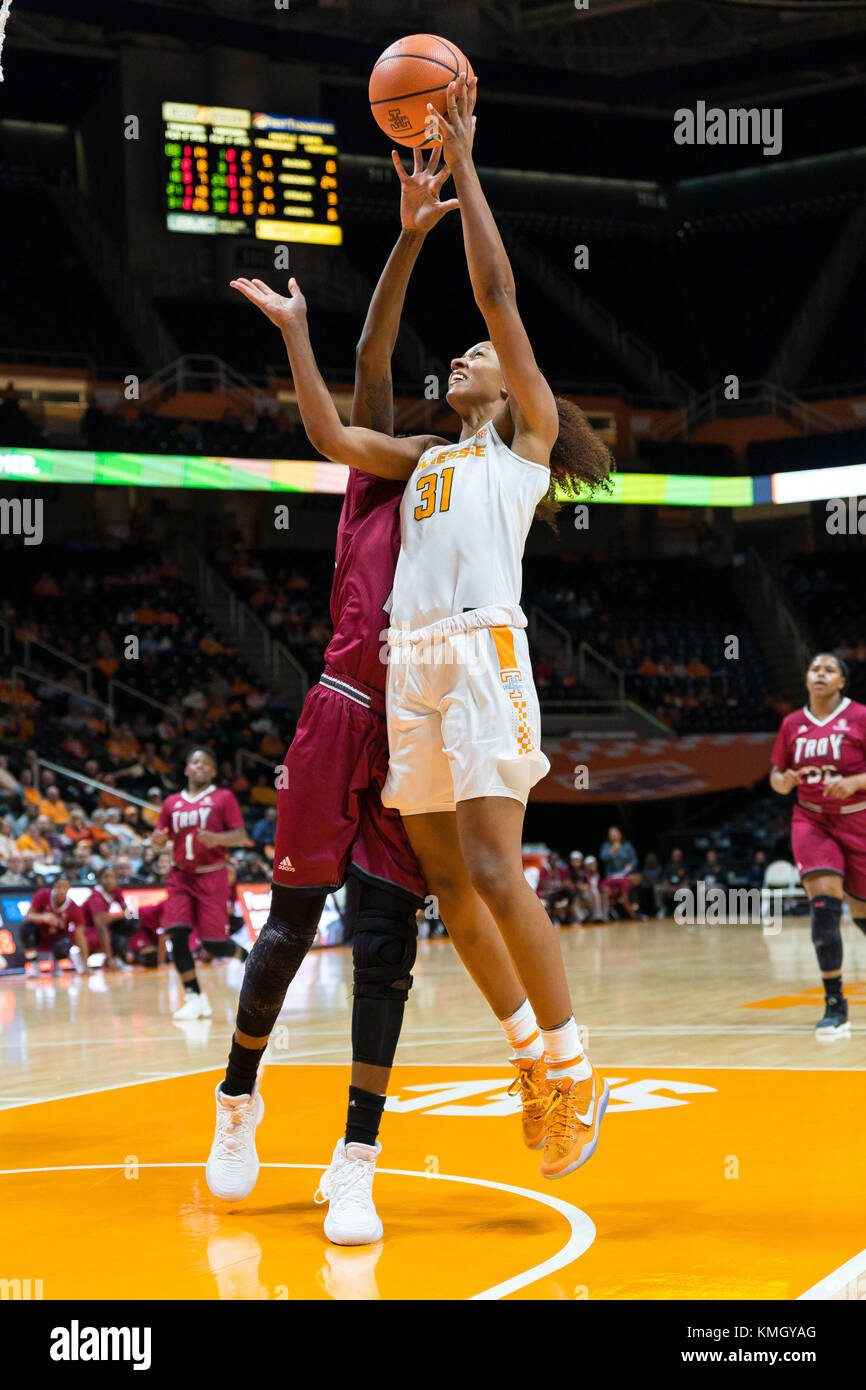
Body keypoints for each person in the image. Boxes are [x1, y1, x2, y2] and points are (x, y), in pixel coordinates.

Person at [230, 74, 614, 1194]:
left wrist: (467, 163)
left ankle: (576, 1063)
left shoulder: (521, 449)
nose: (463, 358)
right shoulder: (425, 460)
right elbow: (329, 427)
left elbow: (495, 293)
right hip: (408, 666)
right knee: (447, 880)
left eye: (476, 359)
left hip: (482, 653)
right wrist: (298, 334)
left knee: (496, 866)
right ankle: (530, 1061)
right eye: (456, 360)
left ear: (512, 386)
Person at [769, 652, 866, 1037]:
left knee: (860, 910)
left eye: (829, 670)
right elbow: (776, 775)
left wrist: (856, 782)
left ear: (842, 681)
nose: (820, 674)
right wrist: (785, 781)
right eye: (814, 669)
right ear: (807, 679)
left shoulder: (860, 716)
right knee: (824, 907)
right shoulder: (791, 723)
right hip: (811, 819)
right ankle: (834, 1003)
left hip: (858, 818)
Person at [150, 748, 249, 1020]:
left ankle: (246, 954)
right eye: (194, 762)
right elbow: (159, 836)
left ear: (213, 771)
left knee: (213, 944)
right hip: (180, 876)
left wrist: (218, 839)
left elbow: (240, 835)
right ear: (186, 769)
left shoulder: (223, 797)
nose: (200, 767)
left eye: (205, 763)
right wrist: (156, 841)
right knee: (177, 934)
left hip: (212, 874)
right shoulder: (171, 802)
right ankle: (194, 996)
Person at [20, 877, 84, 975]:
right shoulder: (42, 895)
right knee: (26, 929)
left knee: (65, 942)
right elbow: (27, 917)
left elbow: (80, 936)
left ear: (69, 888)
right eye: (59, 887)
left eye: (65, 887)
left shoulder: (73, 907)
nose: (61, 890)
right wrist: (44, 917)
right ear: (54, 887)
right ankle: (33, 966)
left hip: (57, 940)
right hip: (40, 937)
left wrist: (86, 966)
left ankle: (58, 966)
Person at [599, 825, 639, 920]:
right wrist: (612, 850)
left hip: (625, 874)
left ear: (620, 835)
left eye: (615, 834)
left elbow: (634, 860)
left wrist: (630, 866)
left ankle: (630, 907)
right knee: (604, 887)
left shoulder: (627, 845)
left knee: (630, 882)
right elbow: (603, 858)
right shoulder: (606, 846)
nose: (614, 836)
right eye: (611, 834)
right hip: (611, 876)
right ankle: (608, 914)